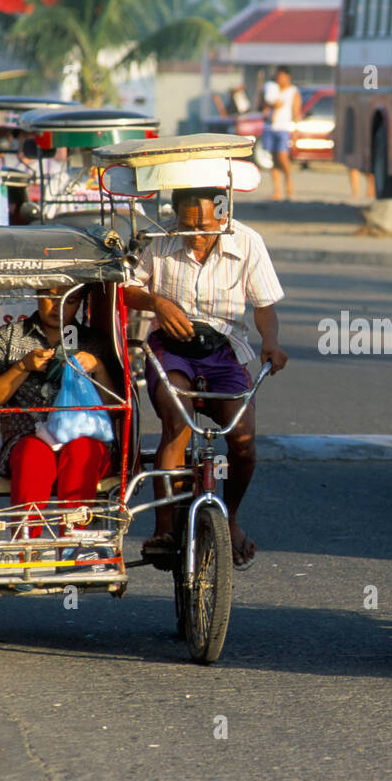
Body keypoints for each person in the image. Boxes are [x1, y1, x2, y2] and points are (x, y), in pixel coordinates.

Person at [123, 186, 287, 568]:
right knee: (176, 427)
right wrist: (157, 303)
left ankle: (229, 517)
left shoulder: (248, 242)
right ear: (174, 215)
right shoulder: (158, 240)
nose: (195, 234)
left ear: (224, 216)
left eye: (205, 226)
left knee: (244, 440)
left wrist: (271, 343)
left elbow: (264, 306)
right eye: (186, 224)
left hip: (224, 349)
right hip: (171, 348)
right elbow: (129, 287)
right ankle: (164, 526)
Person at [0, 285, 117, 538]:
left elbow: (116, 409)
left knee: (82, 450)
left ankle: (74, 541)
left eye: (70, 300)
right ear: (38, 294)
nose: (59, 306)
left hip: (85, 441)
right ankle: (27, 546)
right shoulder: (9, 337)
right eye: (51, 296)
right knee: (32, 455)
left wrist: (99, 368)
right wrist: (22, 367)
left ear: (81, 303)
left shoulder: (95, 342)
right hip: (27, 439)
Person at [260, 67, 301, 201]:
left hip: (284, 128)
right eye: (278, 76)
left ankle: (288, 181)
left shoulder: (293, 92)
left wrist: (295, 130)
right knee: (274, 159)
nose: (279, 79)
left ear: (287, 77)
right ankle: (277, 190)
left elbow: (296, 112)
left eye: (281, 76)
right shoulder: (272, 89)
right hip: (270, 128)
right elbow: (264, 107)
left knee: (283, 157)